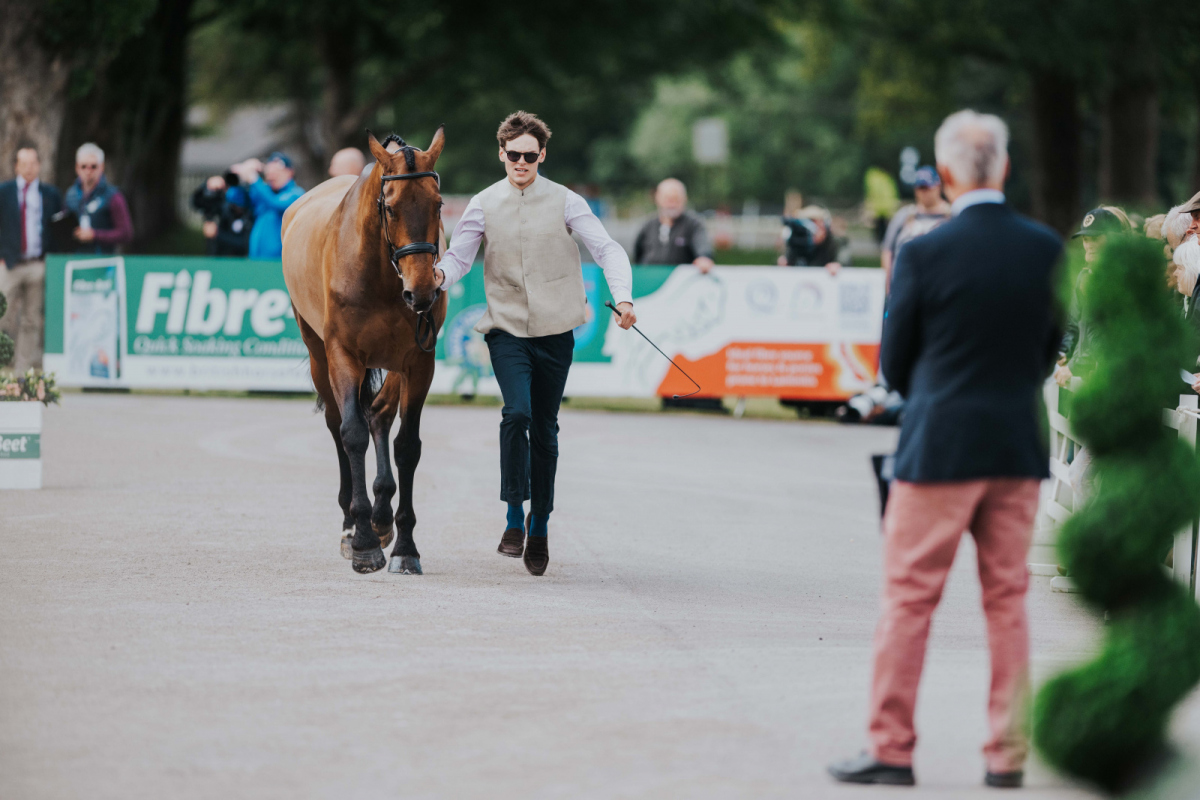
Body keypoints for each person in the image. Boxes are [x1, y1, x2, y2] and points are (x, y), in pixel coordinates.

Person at [828, 110, 1063, 789]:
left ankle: (892, 748)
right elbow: (1049, 350)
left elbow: (895, 367)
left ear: (949, 173)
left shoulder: (924, 251)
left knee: (909, 599)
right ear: (1007, 169)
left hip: (939, 447)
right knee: (1007, 602)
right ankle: (1007, 754)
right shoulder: (1045, 249)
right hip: (1016, 445)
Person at [435, 110, 636, 576]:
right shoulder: (483, 203)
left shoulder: (567, 202)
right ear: (501, 153)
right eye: (513, 154)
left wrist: (623, 298)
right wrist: (439, 276)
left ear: (542, 155)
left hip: (555, 332)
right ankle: (512, 515)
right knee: (516, 413)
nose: (521, 162)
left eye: (530, 155)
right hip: (506, 330)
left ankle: (539, 524)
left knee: (545, 430)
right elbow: (459, 258)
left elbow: (607, 249)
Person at [0, 145, 63, 371]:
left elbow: (58, 228)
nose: (28, 168)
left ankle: (21, 372)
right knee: (2, 313)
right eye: (23, 163)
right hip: (8, 264)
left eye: (32, 163)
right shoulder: (4, 191)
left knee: (31, 320)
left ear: (39, 165)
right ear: (16, 166)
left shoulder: (50, 194)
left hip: (37, 264)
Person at [1053, 206, 1132, 387]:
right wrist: (1064, 351)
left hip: (1115, 377)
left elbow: (1107, 335)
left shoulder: (1124, 277)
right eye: (1086, 239)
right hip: (1087, 376)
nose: (1089, 245)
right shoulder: (1085, 276)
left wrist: (1074, 366)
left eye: (1096, 238)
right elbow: (1074, 323)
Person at [880, 166, 951, 290]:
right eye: (920, 188)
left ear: (938, 186)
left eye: (927, 188)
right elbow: (887, 250)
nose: (923, 192)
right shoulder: (904, 216)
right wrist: (889, 285)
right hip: (905, 285)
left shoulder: (952, 216)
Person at [632, 178, 715, 273]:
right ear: (657, 198)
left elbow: (702, 246)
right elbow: (637, 256)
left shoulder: (694, 224)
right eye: (668, 199)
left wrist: (704, 258)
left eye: (676, 199)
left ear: (684, 199)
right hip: (650, 281)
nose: (672, 204)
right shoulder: (647, 226)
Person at [64, 142, 133, 255]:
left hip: (103, 262)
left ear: (102, 167)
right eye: (84, 166)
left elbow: (126, 233)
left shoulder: (113, 196)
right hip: (75, 260)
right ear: (77, 167)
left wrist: (95, 235)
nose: (88, 171)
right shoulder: (70, 195)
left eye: (93, 166)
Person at [233, 152, 304, 259]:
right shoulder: (263, 192)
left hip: (280, 261)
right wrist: (240, 179)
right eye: (270, 171)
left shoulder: (296, 193)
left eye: (277, 172)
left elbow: (276, 203)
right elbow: (235, 199)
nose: (272, 175)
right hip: (256, 259)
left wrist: (254, 179)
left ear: (290, 172)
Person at [191, 172, 253, 256]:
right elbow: (198, 203)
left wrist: (217, 234)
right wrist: (207, 186)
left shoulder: (249, 214)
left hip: (238, 261)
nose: (236, 208)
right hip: (217, 256)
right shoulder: (223, 206)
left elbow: (245, 243)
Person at [779, 205, 842, 274]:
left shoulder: (835, 241)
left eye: (814, 221)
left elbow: (843, 259)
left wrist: (837, 265)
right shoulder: (797, 240)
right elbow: (789, 258)